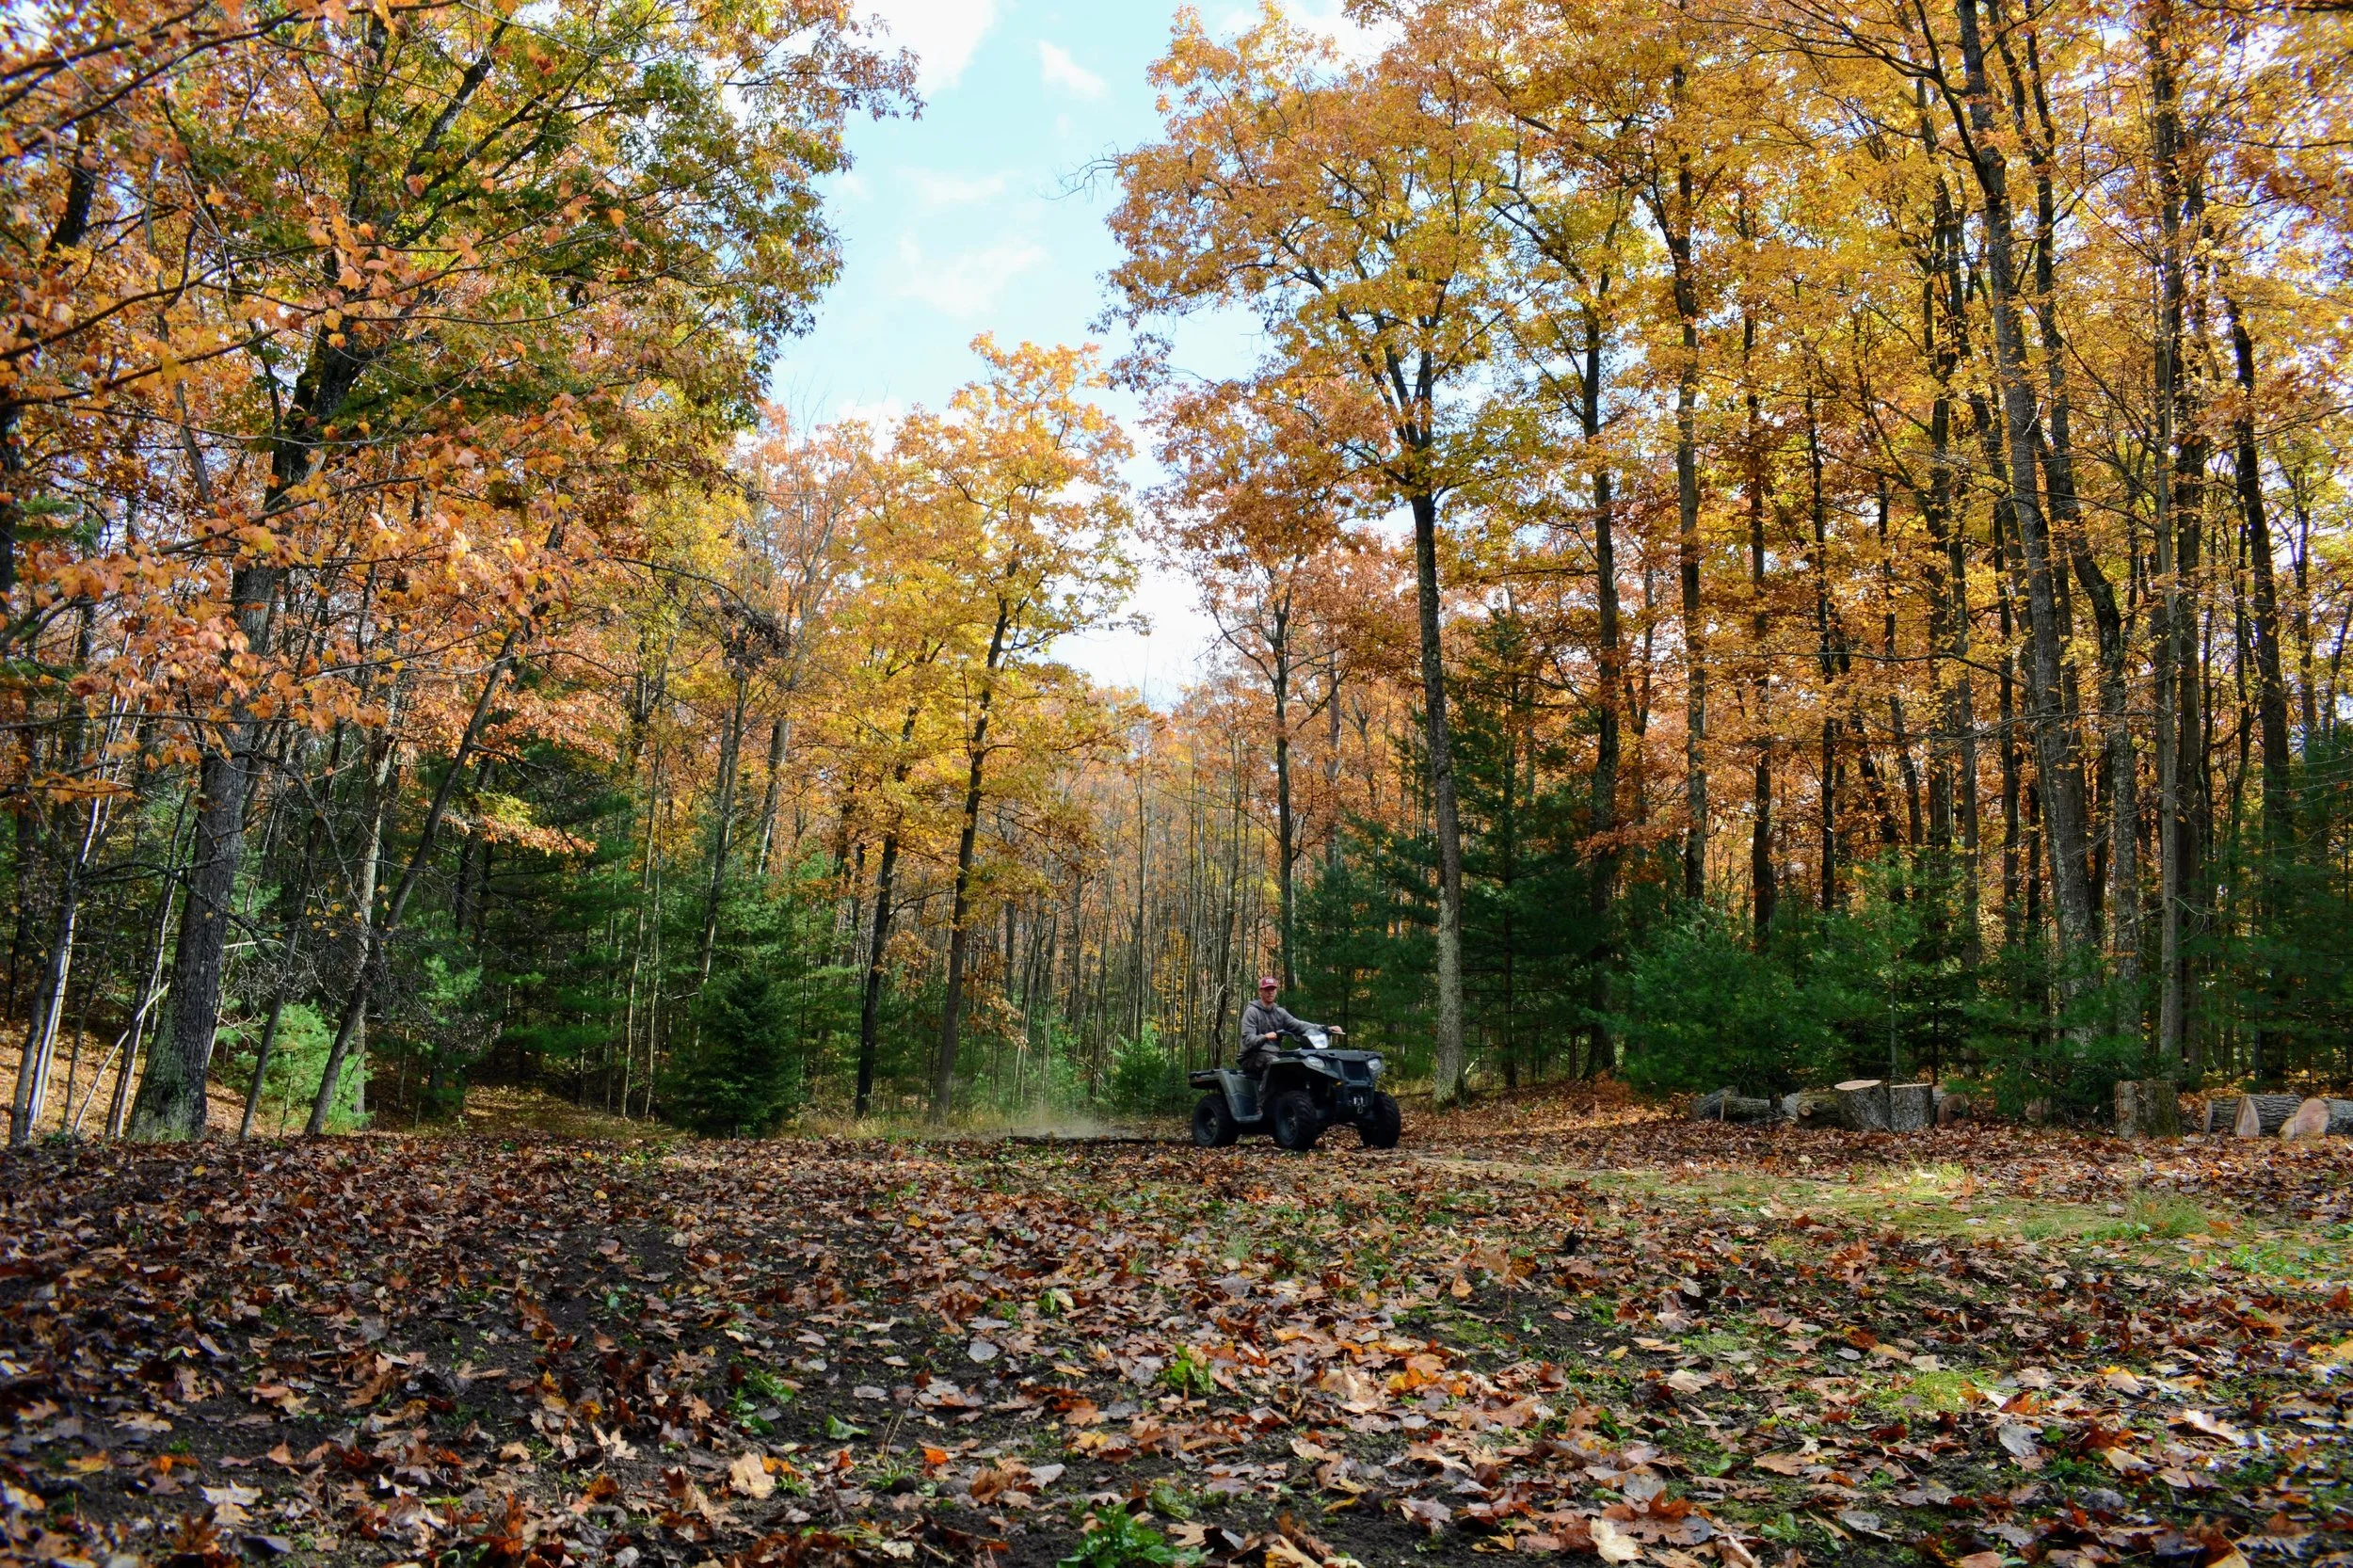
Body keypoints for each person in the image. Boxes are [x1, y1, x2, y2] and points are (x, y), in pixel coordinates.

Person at [1238, 976, 1337, 1075]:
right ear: (1260, 991)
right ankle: (1266, 1090)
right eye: (1267, 989)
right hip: (1251, 1057)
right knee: (1275, 1064)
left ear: (1276, 991)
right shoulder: (1252, 1012)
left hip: (1274, 1054)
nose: (1270, 992)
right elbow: (1248, 1039)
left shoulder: (1279, 1012)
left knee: (1298, 1063)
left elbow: (1298, 1025)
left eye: (1272, 989)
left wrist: (1324, 1028)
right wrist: (1265, 1037)